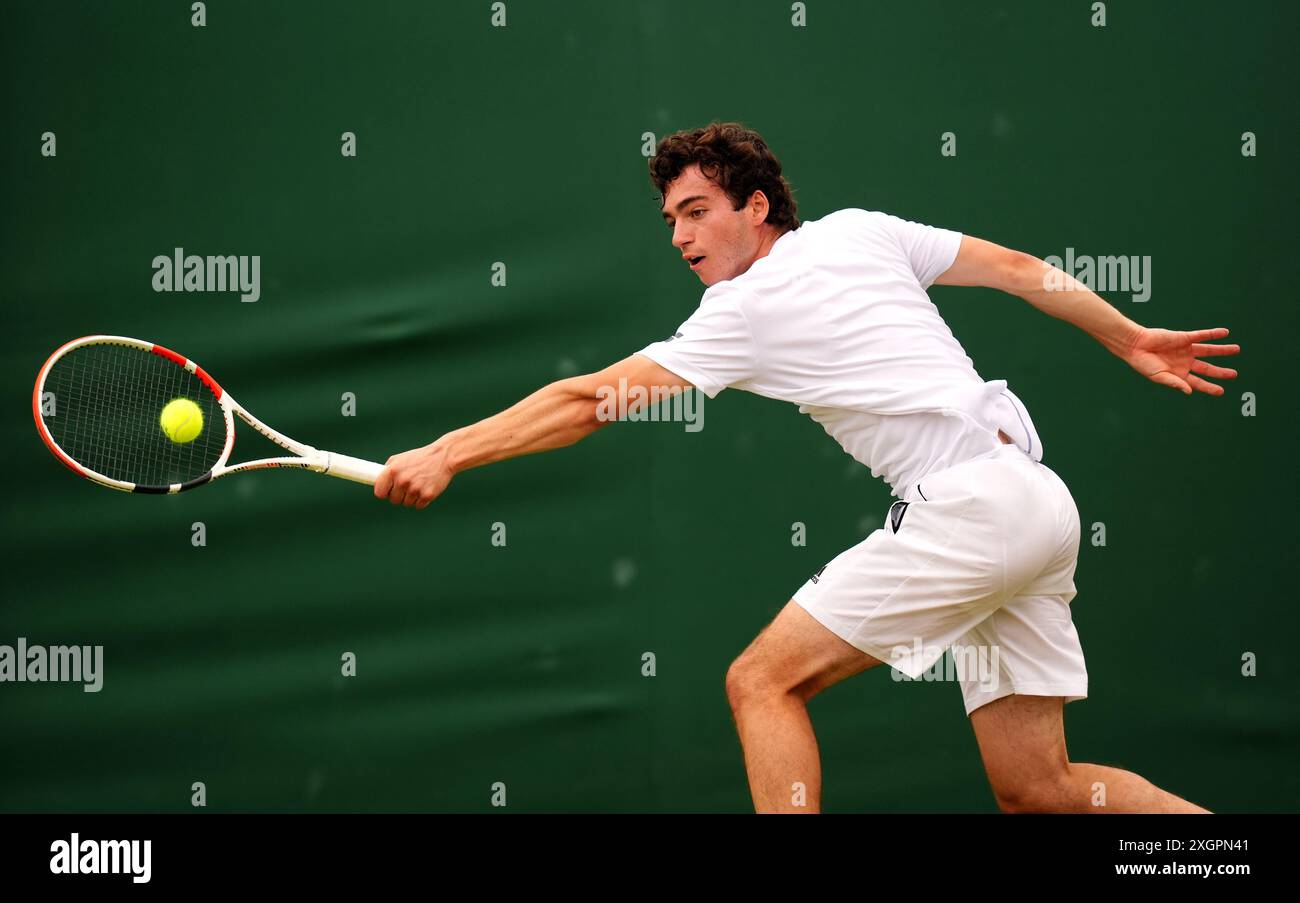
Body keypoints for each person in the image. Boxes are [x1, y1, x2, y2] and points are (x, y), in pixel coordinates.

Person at [375, 122, 1238, 813]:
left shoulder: (743, 308)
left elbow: (589, 400)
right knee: (1042, 789)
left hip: (970, 511)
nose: (680, 235)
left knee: (761, 682)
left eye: (698, 210)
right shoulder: (865, 231)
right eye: (671, 218)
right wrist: (1128, 335)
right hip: (1040, 506)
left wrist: (446, 451)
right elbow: (1017, 271)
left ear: (757, 206)